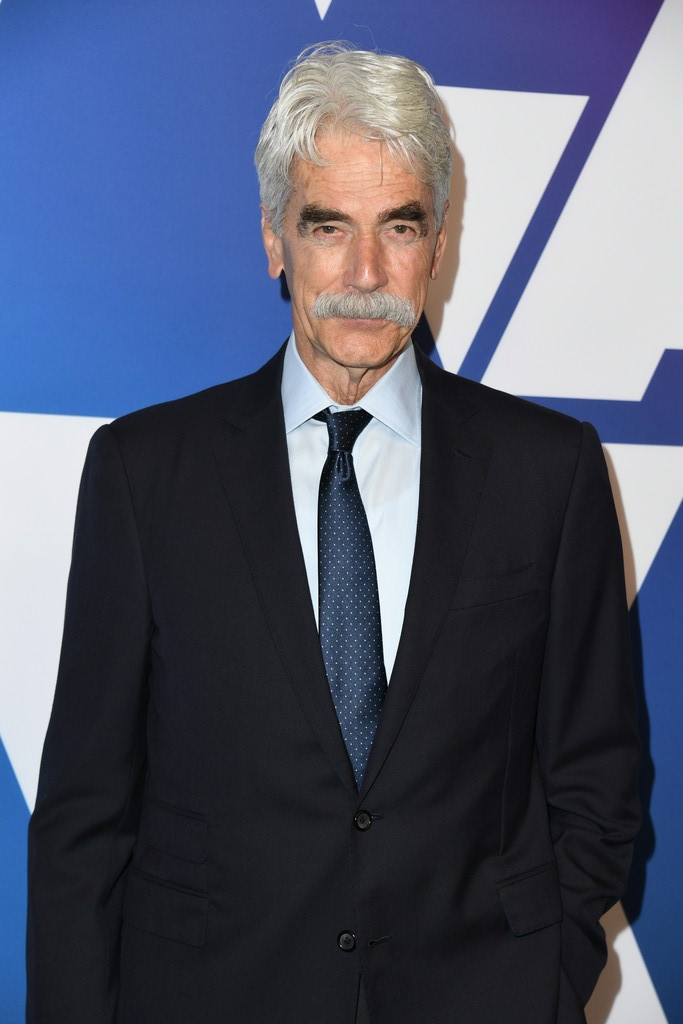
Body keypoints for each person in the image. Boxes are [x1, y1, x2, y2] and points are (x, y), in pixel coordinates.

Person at [27, 42, 640, 1024]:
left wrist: (541, 980)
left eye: (398, 225)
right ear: (275, 239)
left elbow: (597, 776)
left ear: (436, 241)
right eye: (327, 226)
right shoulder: (145, 475)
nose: (364, 272)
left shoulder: (548, 472)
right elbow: (83, 822)